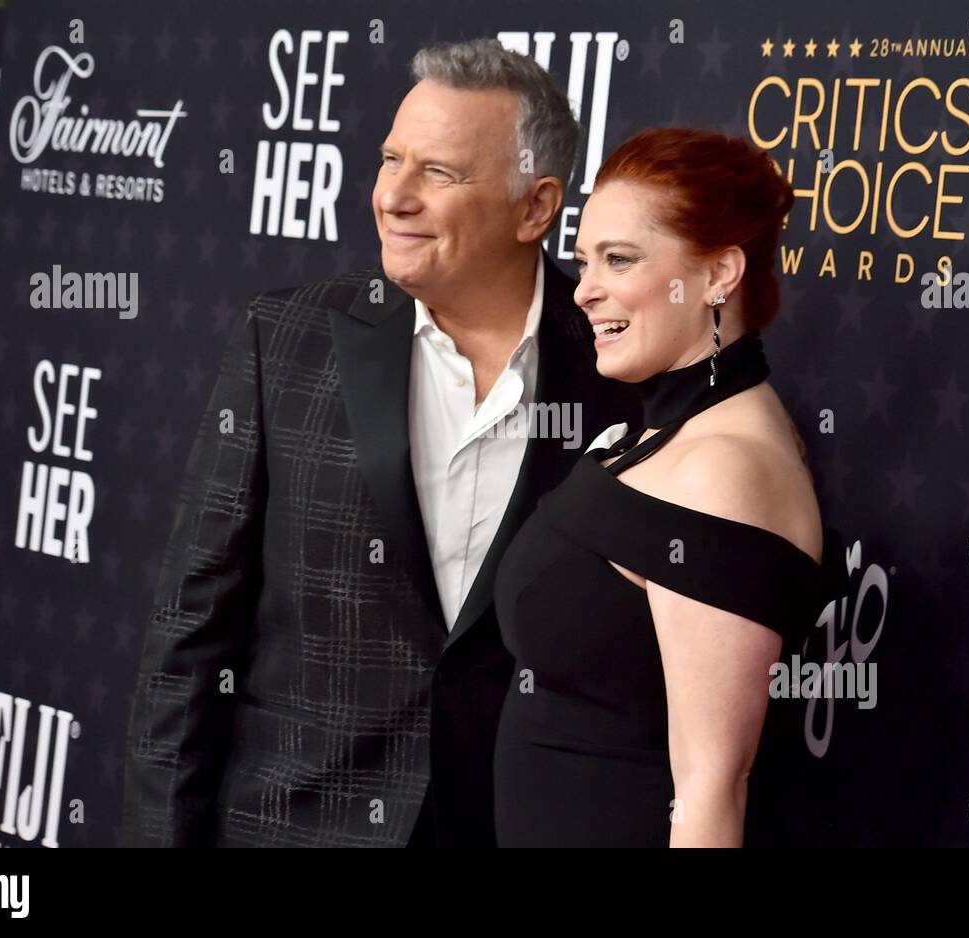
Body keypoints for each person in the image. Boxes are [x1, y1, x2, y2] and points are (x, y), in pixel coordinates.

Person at [121, 38, 636, 847]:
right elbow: (189, 634)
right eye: (391, 159)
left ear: (535, 207)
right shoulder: (286, 341)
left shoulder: (621, 368)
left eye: (438, 172)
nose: (392, 195)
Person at [492, 127, 841, 847]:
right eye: (585, 260)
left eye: (620, 260)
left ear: (719, 275)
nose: (586, 290)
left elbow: (712, 791)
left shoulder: (725, 470)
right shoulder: (663, 433)